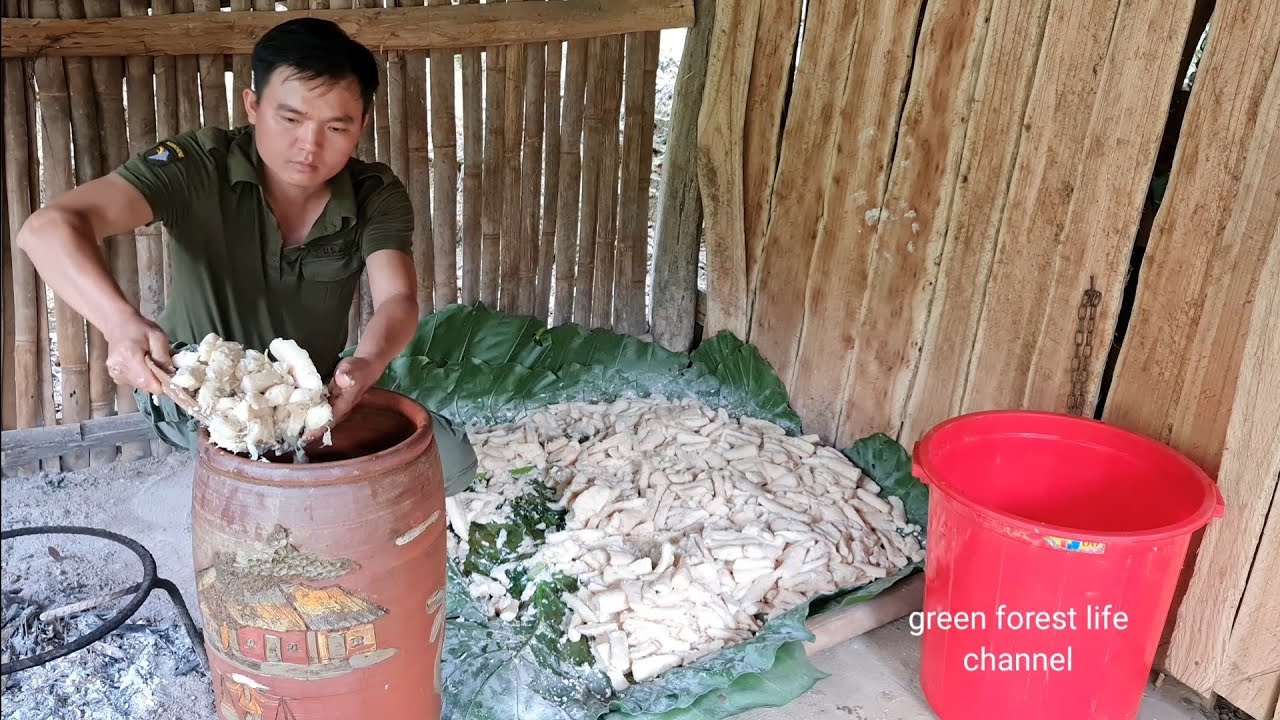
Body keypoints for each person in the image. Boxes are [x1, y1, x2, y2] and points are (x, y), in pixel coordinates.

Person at [15, 17, 477, 494]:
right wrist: (121, 326)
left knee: (452, 463)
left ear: (360, 126)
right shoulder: (197, 166)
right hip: (198, 391)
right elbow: (46, 229)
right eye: (291, 119)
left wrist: (367, 362)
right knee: (281, 480)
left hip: (310, 391)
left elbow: (398, 300)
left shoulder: (373, 193)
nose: (309, 145)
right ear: (253, 105)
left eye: (336, 127)